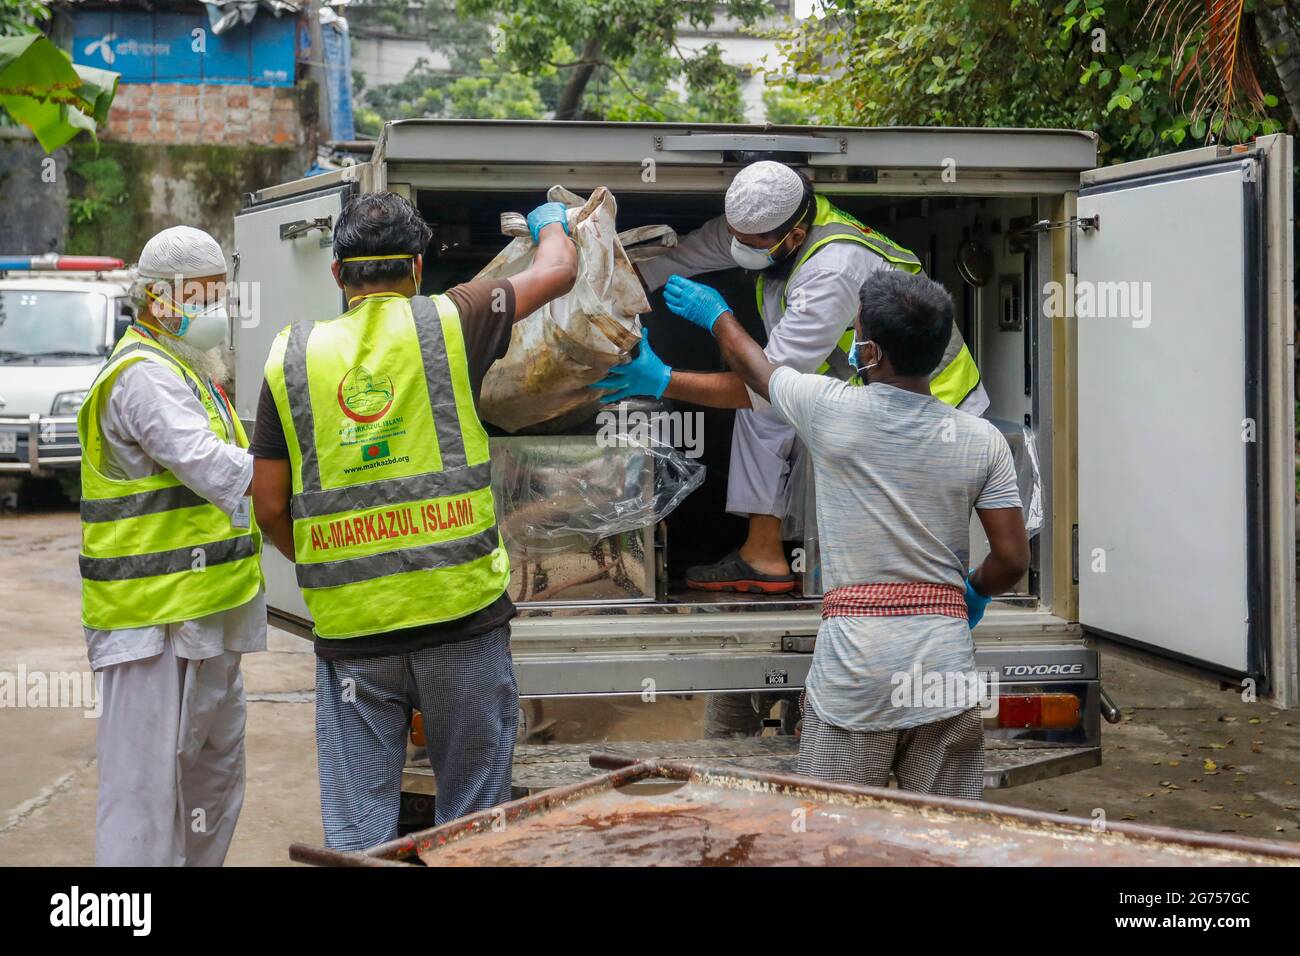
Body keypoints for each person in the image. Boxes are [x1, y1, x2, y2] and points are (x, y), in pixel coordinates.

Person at [251, 192, 577, 850]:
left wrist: (333, 565)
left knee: (360, 829)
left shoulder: (291, 357)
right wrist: (551, 225)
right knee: (471, 822)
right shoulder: (455, 318)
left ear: (339, 276)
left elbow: (267, 506)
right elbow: (559, 272)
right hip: (461, 624)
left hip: (355, 637)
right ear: (419, 269)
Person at [657, 268, 1029, 799]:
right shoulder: (981, 439)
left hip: (857, 679)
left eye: (855, 333)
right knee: (945, 840)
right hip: (946, 675)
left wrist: (717, 316)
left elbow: (760, 373)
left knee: (835, 840)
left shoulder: (832, 408)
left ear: (871, 352)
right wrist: (972, 589)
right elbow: (1013, 560)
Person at [596, 160, 988, 594]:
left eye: (748, 244)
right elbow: (685, 255)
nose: (736, 249)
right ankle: (762, 556)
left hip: (927, 405)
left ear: (795, 236)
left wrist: (663, 378)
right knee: (764, 416)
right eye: (735, 237)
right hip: (864, 387)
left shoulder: (832, 271)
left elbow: (761, 388)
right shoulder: (774, 224)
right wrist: (609, 291)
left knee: (762, 408)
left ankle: (859, 584)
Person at [78, 225, 265, 866]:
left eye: (222, 292)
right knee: (144, 800)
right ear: (161, 299)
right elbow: (215, 468)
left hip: (203, 613)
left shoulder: (193, 370)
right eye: (204, 294)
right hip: (149, 622)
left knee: (212, 786)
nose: (218, 308)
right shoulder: (143, 376)